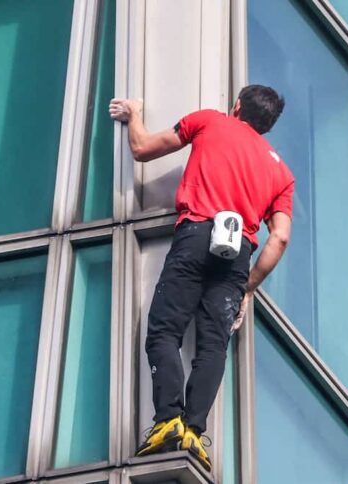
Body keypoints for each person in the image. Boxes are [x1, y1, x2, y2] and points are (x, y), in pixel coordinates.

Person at [109, 85, 294, 472]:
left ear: (237, 106)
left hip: (196, 234)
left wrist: (134, 113)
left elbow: (142, 148)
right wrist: (248, 287)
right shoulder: (281, 173)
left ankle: (168, 422)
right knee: (212, 347)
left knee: (164, 331)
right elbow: (279, 237)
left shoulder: (209, 121)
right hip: (237, 255)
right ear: (269, 126)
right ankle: (194, 432)